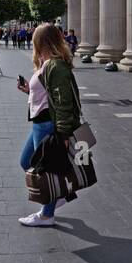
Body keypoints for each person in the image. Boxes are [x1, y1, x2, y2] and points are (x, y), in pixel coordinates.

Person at [17, 22, 84, 228]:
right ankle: (59, 194)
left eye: (35, 38)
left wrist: (63, 134)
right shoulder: (47, 63)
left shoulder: (56, 65)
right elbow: (48, 95)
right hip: (40, 123)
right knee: (26, 161)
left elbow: (64, 102)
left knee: (46, 170)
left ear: (42, 41)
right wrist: (29, 90)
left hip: (48, 125)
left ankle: (47, 214)